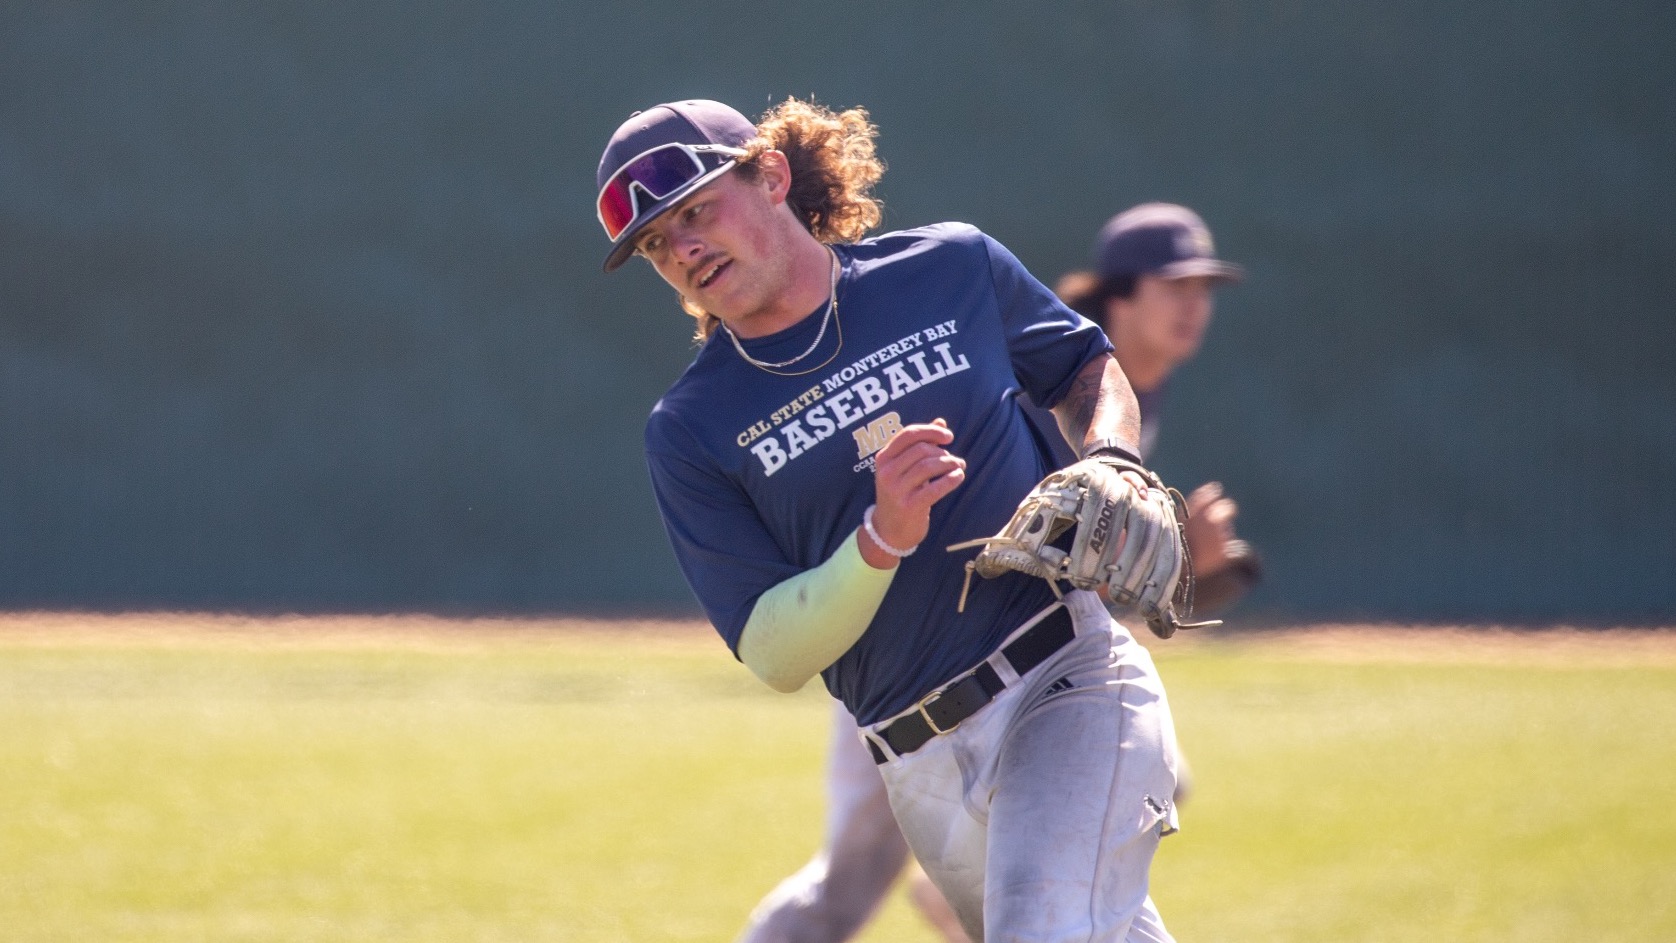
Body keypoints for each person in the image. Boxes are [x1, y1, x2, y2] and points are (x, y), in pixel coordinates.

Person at [596, 97, 1187, 941]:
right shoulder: (690, 427)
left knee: (1044, 929)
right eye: (656, 243)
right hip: (916, 764)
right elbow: (772, 649)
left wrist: (1113, 456)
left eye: (696, 211)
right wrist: (880, 541)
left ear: (770, 175)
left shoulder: (949, 267)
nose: (682, 249)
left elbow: (1086, 365)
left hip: (1065, 682)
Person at [732, 204, 1263, 943]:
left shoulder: (1123, 390)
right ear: (1119, 295)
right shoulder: (1046, 385)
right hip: (916, 671)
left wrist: (1183, 571)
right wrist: (1181, 567)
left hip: (1030, 684)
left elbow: (1074, 571)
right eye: (1175, 286)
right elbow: (1034, 553)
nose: (1194, 306)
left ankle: (972, 905)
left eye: (1205, 288)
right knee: (844, 890)